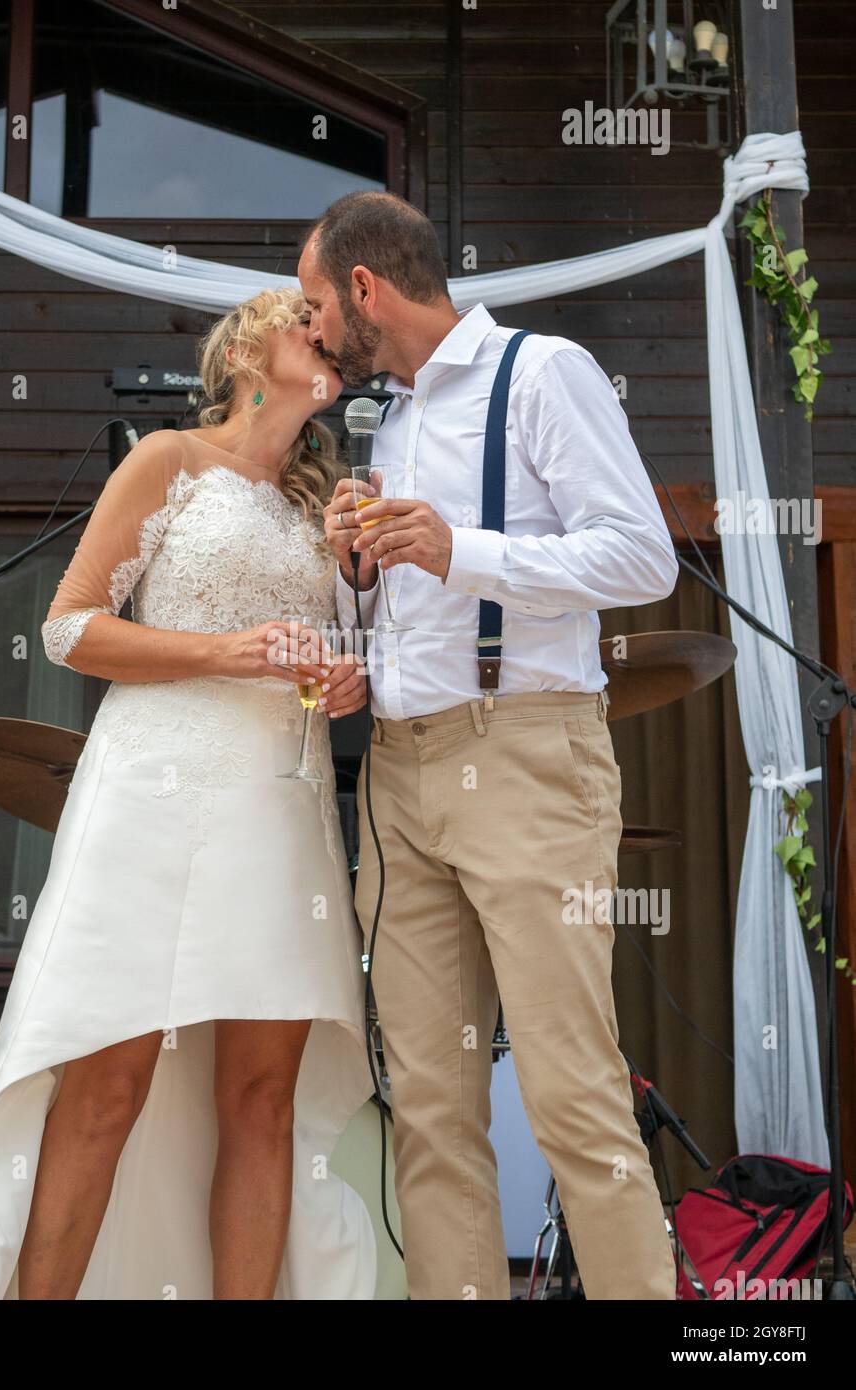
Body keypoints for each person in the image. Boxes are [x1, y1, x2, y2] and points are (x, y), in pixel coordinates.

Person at [0, 287, 378, 1300]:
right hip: (152, 798)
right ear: (251, 350)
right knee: (106, 1079)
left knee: (262, 1099)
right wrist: (230, 650)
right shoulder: (167, 460)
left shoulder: (323, 506)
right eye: (307, 321)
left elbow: (337, 655)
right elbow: (70, 628)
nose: (329, 336)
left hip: (278, 807)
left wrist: (346, 677)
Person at [299, 190, 680, 1300]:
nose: (317, 331)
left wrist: (464, 549)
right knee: (427, 1104)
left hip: (523, 754)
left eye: (321, 305)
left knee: (569, 1090)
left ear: (368, 289)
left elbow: (641, 559)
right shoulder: (396, 419)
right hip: (401, 770)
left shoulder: (542, 372)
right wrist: (353, 577)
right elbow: (407, 622)